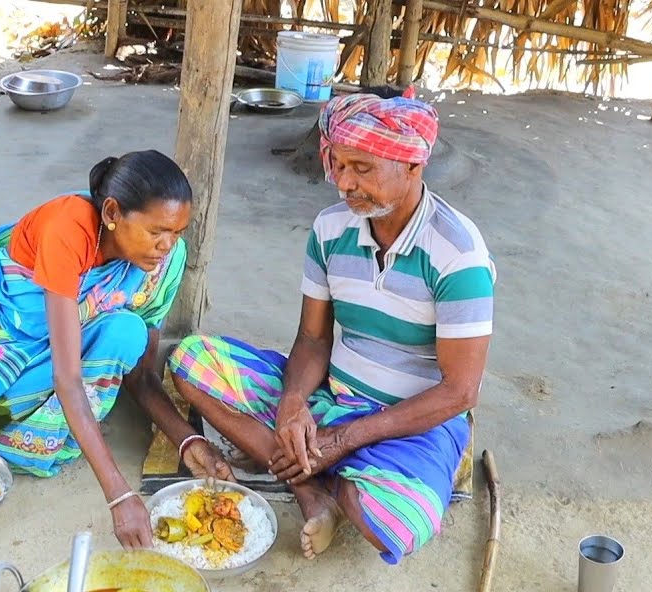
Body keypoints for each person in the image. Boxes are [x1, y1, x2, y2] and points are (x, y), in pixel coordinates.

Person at [168, 92, 496, 565]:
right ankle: (313, 491)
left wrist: (341, 440)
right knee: (191, 361)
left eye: (362, 168)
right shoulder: (330, 229)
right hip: (331, 396)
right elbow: (312, 338)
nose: (344, 182)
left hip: (410, 423)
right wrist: (292, 406)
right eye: (338, 165)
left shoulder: (457, 253)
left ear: (412, 166)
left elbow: (461, 391)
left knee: (393, 524)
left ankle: (322, 474)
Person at [0, 150, 234, 549]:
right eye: (157, 231)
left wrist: (187, 441)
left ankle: (11, 425)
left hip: (67, 340)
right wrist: (119, 494)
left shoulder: (165, 262)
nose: (167, 246)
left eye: (177, 232)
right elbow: (67, 378)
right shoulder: (68, 229)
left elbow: (140, 374)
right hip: (14, 328)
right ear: (112, 212)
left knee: (127, 331)